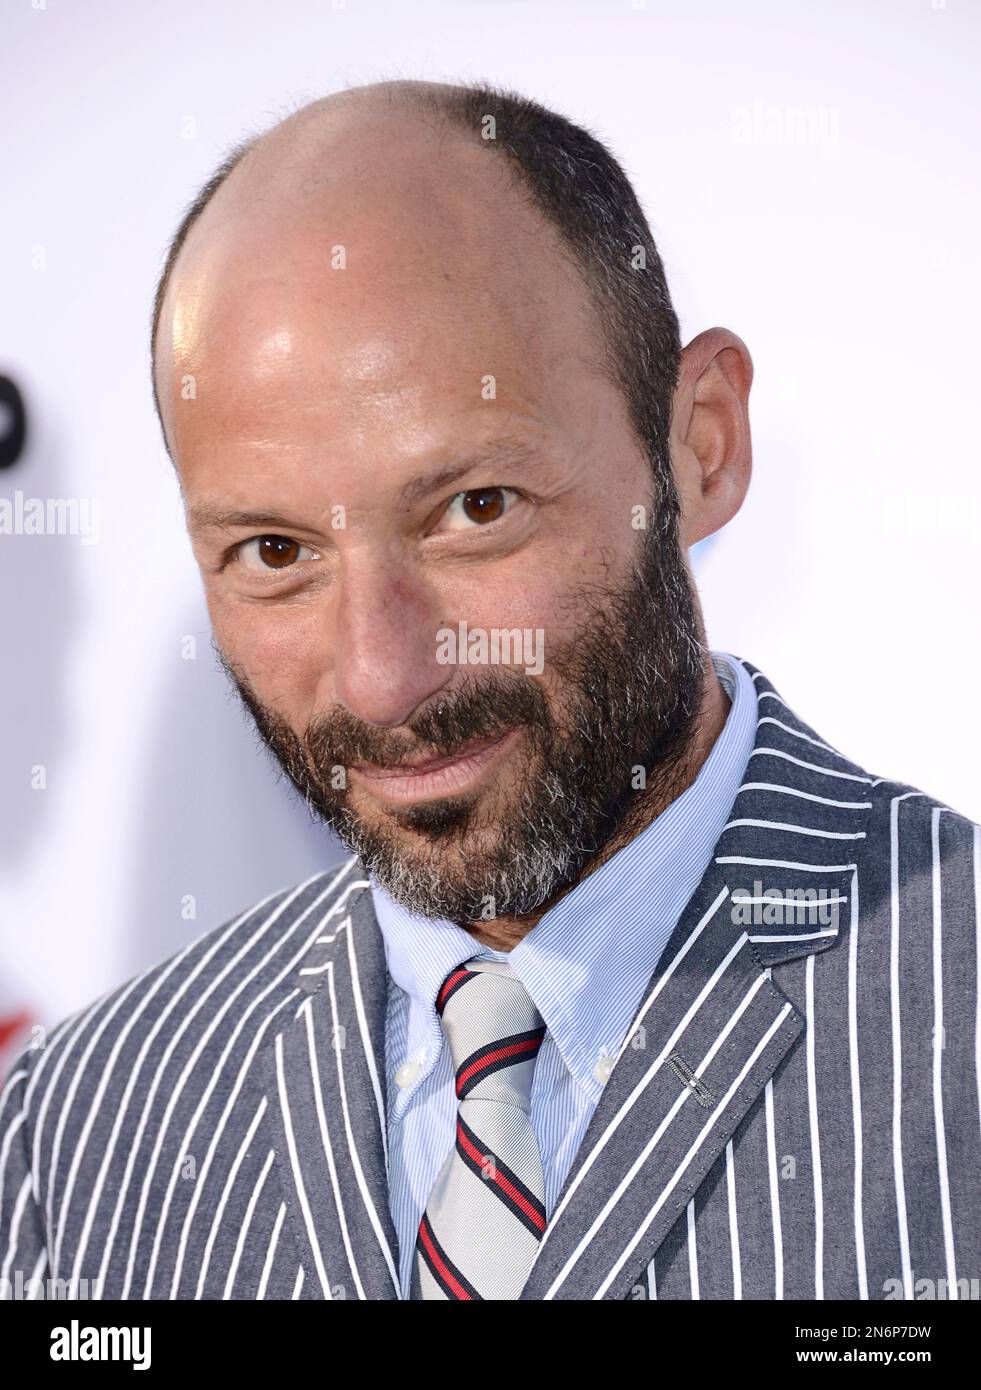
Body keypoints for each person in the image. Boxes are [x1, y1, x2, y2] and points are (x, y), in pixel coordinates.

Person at [1, 78, 978, 1302]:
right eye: (275, 552)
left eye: (476, 510)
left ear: (700, 446)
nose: (383, 676)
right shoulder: (84, 1127)